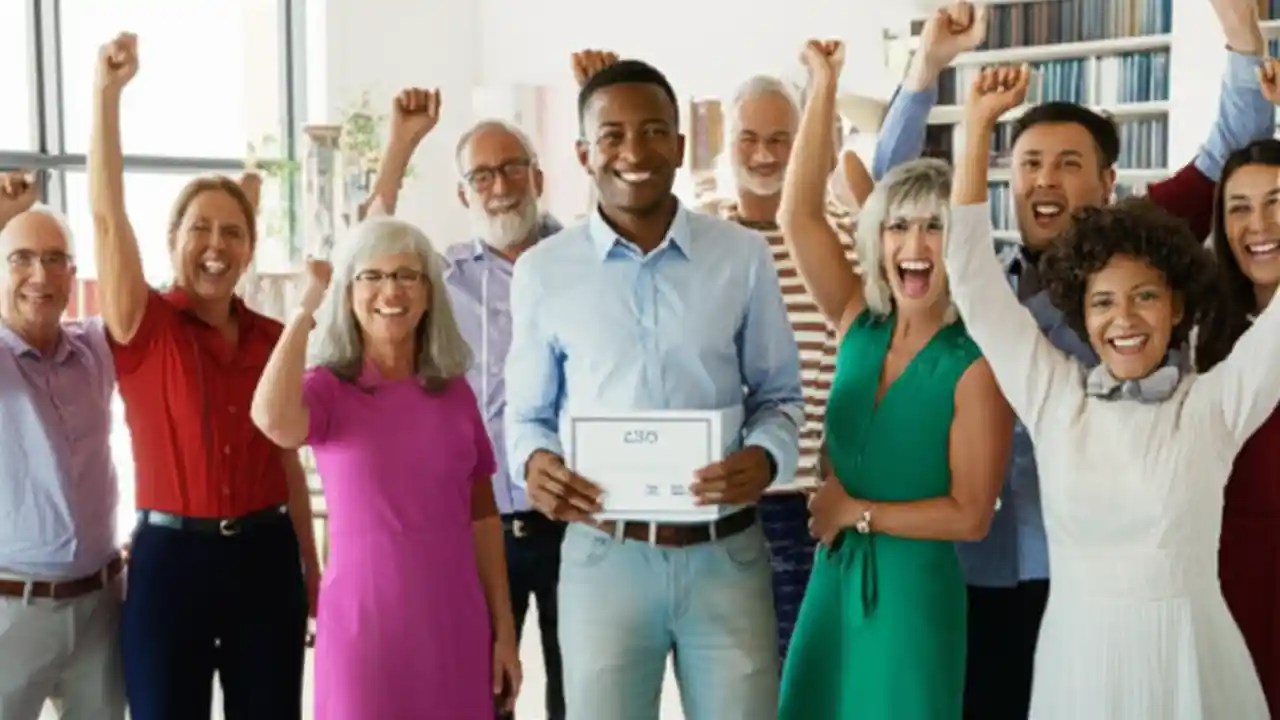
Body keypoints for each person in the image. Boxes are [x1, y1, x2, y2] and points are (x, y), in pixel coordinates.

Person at [874, 3, 1278, 715]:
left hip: (1186, 650)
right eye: (1102, 303)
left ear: (1177, 307)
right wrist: (970, 121)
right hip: (1046, 628)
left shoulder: (1212, 405)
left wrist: (1246, 42)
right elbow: (955, 258)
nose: (1124, 319)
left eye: (1145, 298)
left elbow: (1231, 156)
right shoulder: (1053, 392)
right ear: (1080, 314)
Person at [504, 58, 804, 720]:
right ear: (584, 153)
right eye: (612, 135)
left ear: (681, 143)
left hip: (726, 556)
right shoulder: (544, 272)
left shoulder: (741, 255)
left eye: (653, 131)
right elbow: (526, 417)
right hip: (604, 558)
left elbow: (780, 395)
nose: (634, 153)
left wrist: (765, 456)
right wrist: (535, 462)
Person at [776, 40, 1013, 719]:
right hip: (835, 579)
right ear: (878, 240)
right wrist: (822, 83)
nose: (914, 245)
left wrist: (859, 512)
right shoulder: (858, 321)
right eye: (898, 226)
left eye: (935, 228)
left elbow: (971, 516)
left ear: (959, 243)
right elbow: (798, 216)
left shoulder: (975, 363)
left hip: (913, 594)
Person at [89, 33, 319, 719]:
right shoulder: (144, 324)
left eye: (232, 232)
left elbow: (286, 461)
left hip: (266, 557)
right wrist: (105, 96)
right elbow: (107, 218)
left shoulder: (273, 339)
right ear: (173, 240)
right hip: (170, 562)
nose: (216, 245)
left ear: (250, 249)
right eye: (200, 229)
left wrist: (310, 567)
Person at [250, 217, 522, 719]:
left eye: (406, 276)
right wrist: (305, 308)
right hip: (363, 632)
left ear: (428, 293)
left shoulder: (454, 391)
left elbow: (483, 517)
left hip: (454, 624)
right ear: (348, 294)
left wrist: (504, 630)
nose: (390, 291)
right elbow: (271, 420)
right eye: (371, 276)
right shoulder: (328, 388)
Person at [361, 86, 566, 720]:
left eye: (512, 169)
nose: (499, 186)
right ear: (463, 194)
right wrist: (400, 144)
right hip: (479, 529)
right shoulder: (441, 279)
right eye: (482, 175)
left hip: (574, 521)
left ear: (537, 177)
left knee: (581, 693)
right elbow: (367, 247)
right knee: (483, 695)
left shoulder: (580, 263)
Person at [711, 71, 863, 663]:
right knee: (728, 678)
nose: (765, 154)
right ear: (727, 142)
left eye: (781, 139)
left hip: (812, 499)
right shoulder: (702, 241)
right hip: (725, 499)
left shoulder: (844, 239)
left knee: (806, 675)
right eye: (749, 138)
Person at [0, 172, 124, 720]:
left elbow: (143, 299)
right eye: (20, 259)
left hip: (101, 608)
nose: (39, 275)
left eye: (55, 260)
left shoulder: (93, 348)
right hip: (12, 612)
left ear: (73, 275)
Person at [1196, 132, 1280, 716]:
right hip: (1229, 568)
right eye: (1240, 207)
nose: (1259, 225)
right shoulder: (1205, 327)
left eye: (1276, 202)